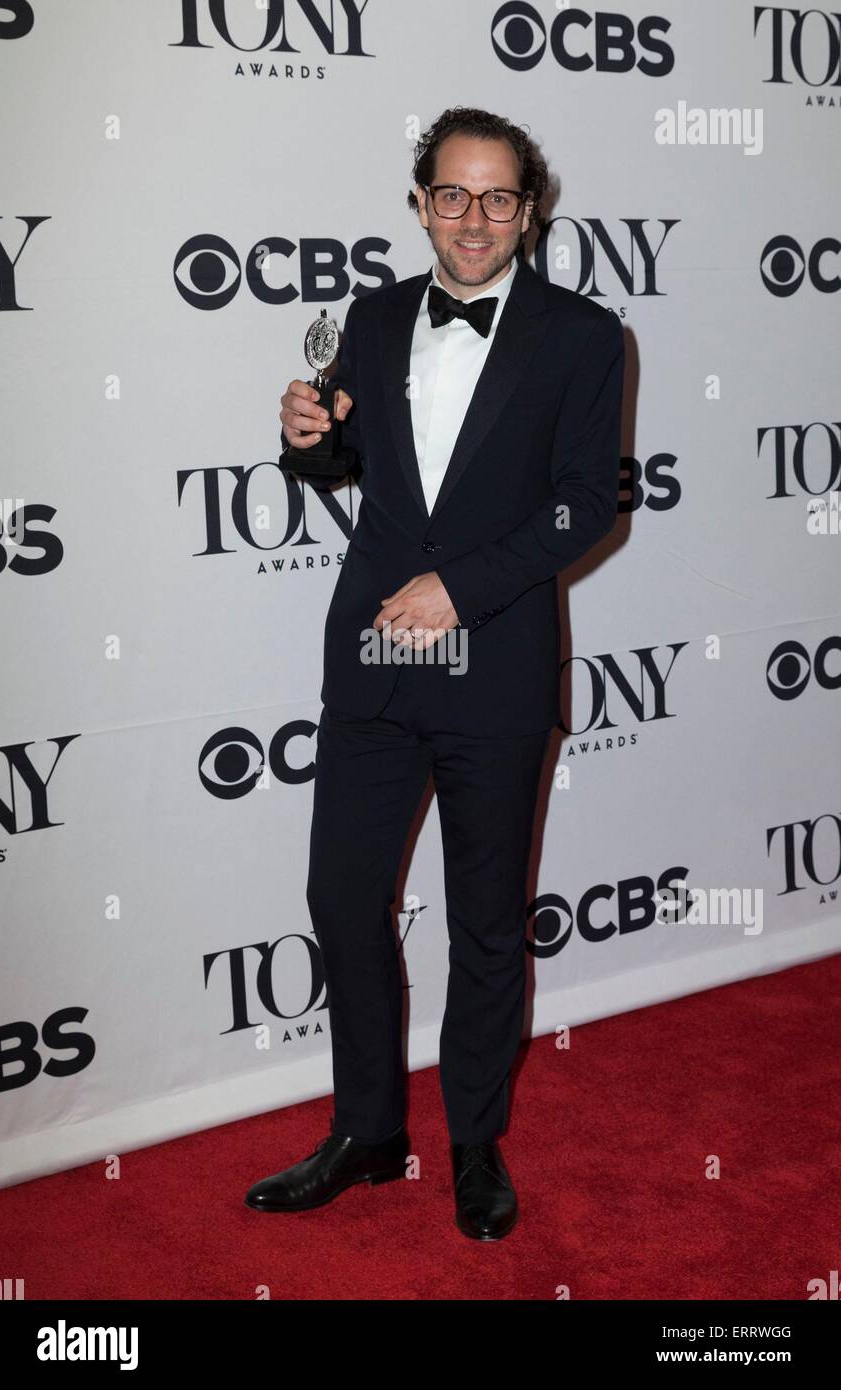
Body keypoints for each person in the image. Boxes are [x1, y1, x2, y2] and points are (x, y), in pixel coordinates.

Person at [245, 106, 625, 1240]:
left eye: (497, 197)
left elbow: (583, 504)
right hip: (372, 659)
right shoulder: (368, 318)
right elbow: (345, 460)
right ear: (419, 202)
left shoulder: (582, 337)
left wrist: (461, 588)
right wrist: (307, 437)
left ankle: (471, 1143)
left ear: (529, 210)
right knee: (341, 898)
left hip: (493, 663)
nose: (473, 218)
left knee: (483, 925)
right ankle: (367, 1128)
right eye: (450, 195)